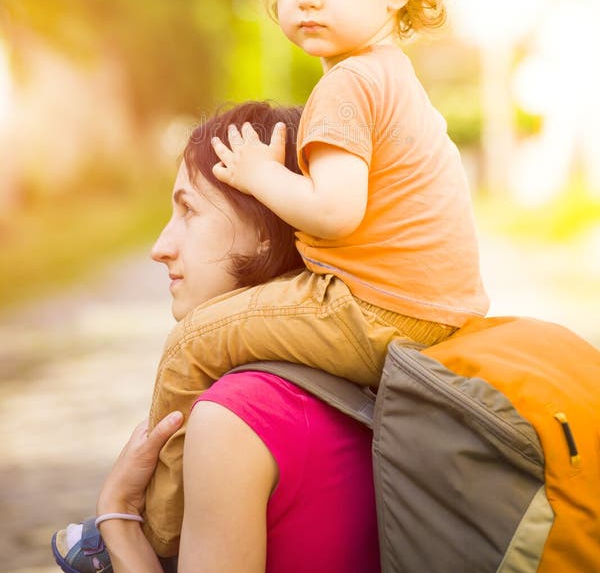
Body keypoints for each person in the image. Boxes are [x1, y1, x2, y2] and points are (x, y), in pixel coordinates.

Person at [143, 0, 490, 558]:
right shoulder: (391, 76)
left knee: (194, 339)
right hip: (434, 310)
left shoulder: (348, 85)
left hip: (371, 307)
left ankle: (149, 531)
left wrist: (258, 174)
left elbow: (334, 213)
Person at [52, 101, 380, 573]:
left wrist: (119, 518)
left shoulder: (236, 417)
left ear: (266, 228)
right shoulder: (349, 385)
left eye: (189, 210)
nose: (160, 248)